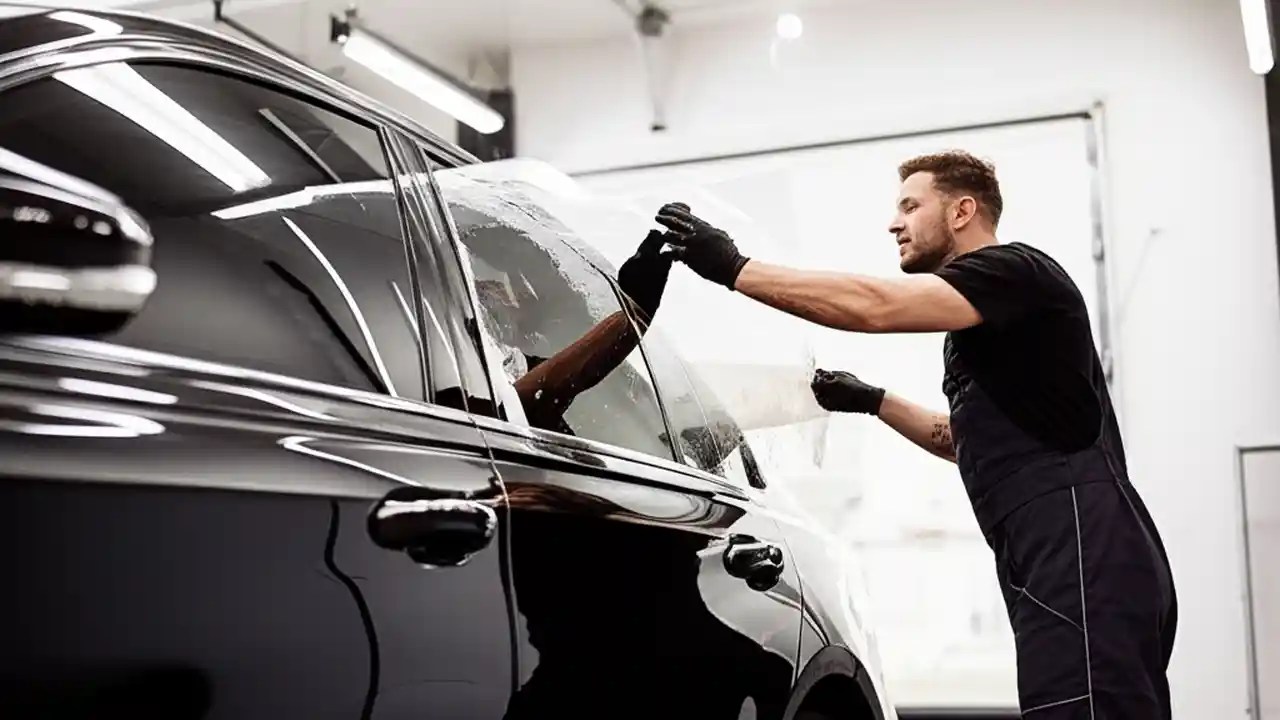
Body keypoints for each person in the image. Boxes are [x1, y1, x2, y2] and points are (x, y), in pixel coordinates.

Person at [655, 151, 1177, 719]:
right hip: (1054, 551)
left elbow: (874, 307)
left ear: (962, 211)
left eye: (910, 205)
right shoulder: (982, 331)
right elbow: (963, 442)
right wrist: (873, 401)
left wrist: (733, 267)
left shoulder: (1014, 270)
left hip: (1081, 541)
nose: (893, 222)